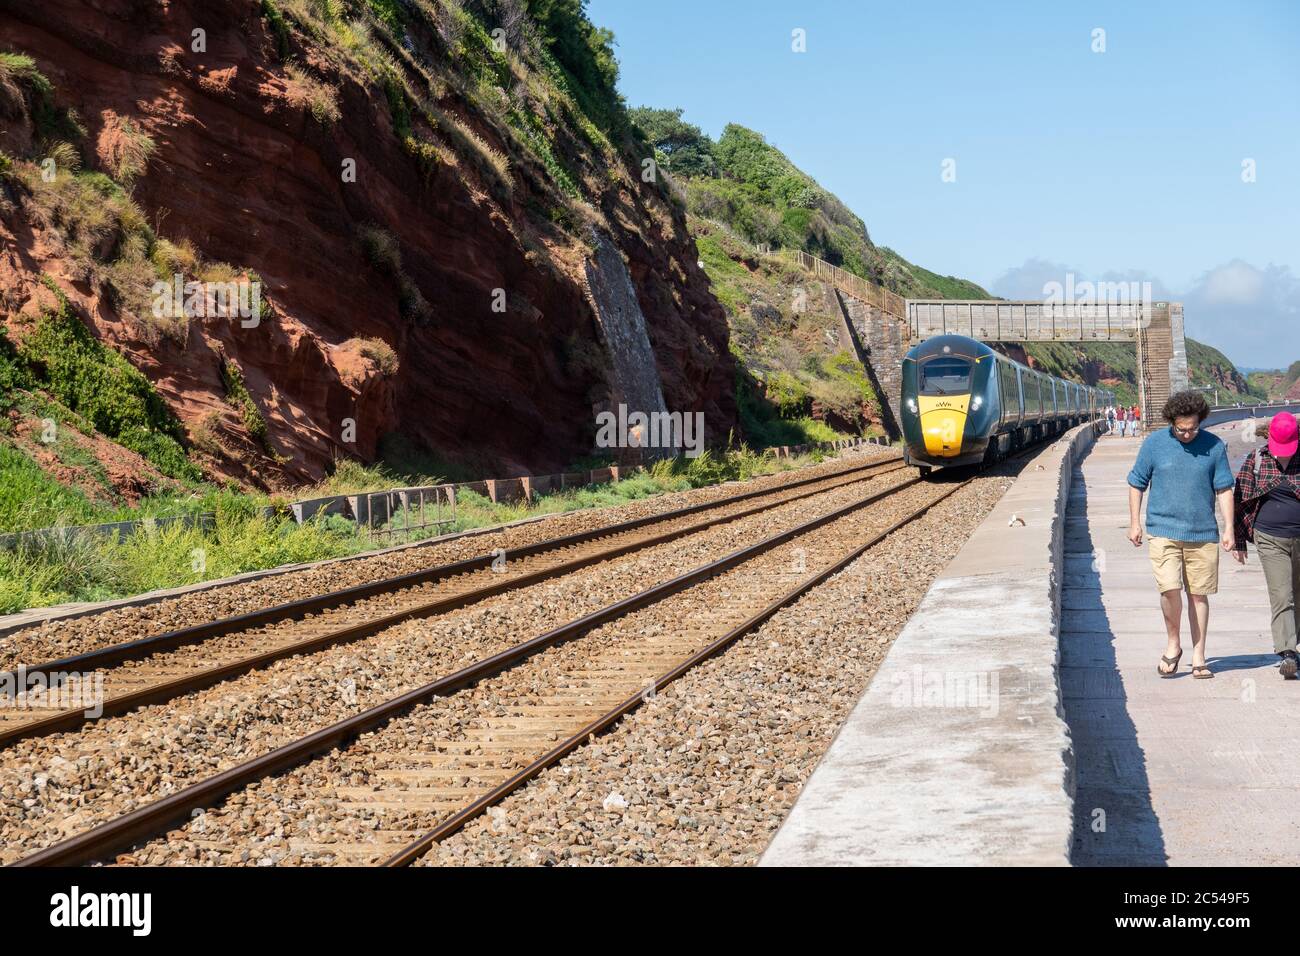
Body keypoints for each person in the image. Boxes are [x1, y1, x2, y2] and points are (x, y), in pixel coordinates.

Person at [1127, 390, 1236, 679]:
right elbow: (1136, 483)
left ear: (1200, 421)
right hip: (1163, 530)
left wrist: (1229, 528)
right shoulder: (1154, 444)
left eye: (1193, 428)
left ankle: (1199, 655)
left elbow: (1224, 488)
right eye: (1181, 429)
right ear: (1171, 422)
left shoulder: (1214, 446)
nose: (1187, 434)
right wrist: (1134, 523)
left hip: (1202, 534)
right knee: (1169, 589)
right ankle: (1173, 644)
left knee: (1199, 596)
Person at [1232, 412, 1300, 679]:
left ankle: (1292, 643)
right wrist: (1239, 542)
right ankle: (1287, 653)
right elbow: (1240, 501)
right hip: (1269, 537)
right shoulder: (1257, 459)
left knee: (1298, 593)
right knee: (1283, 594)